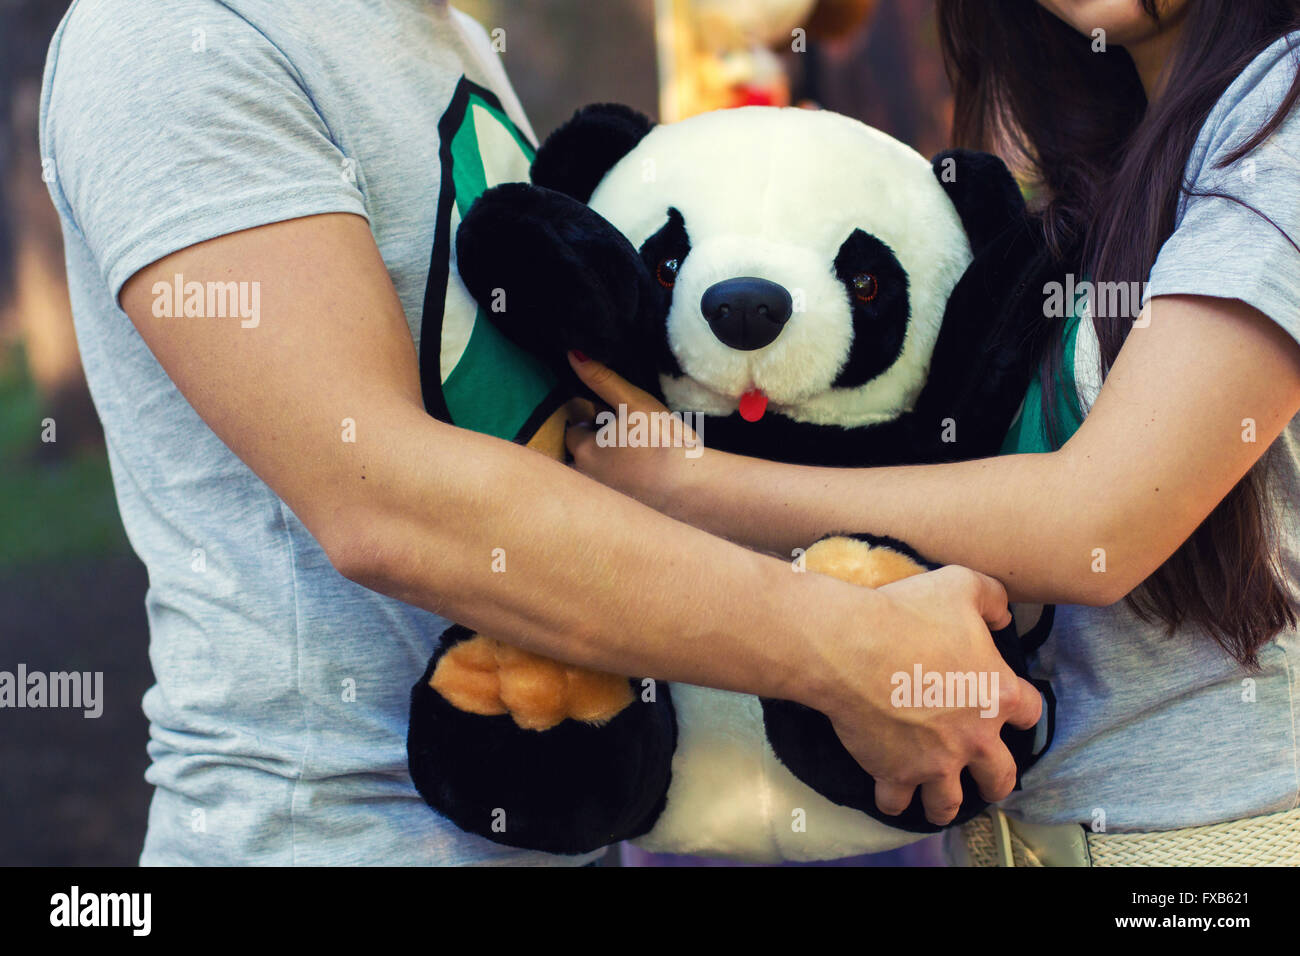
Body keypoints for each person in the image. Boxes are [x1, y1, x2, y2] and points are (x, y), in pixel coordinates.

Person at [38, 0, 1041, 866]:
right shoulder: (181, 33)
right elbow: (380, 496)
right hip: (326, 832)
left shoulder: (450, 41)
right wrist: (843, 643)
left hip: (555, 810)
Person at [568, 0, 1300, 865]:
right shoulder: (1126, 141)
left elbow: (1100, 522)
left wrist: (685, 482)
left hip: (1206, 851)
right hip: (1019, 836)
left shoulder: (1279, 113)